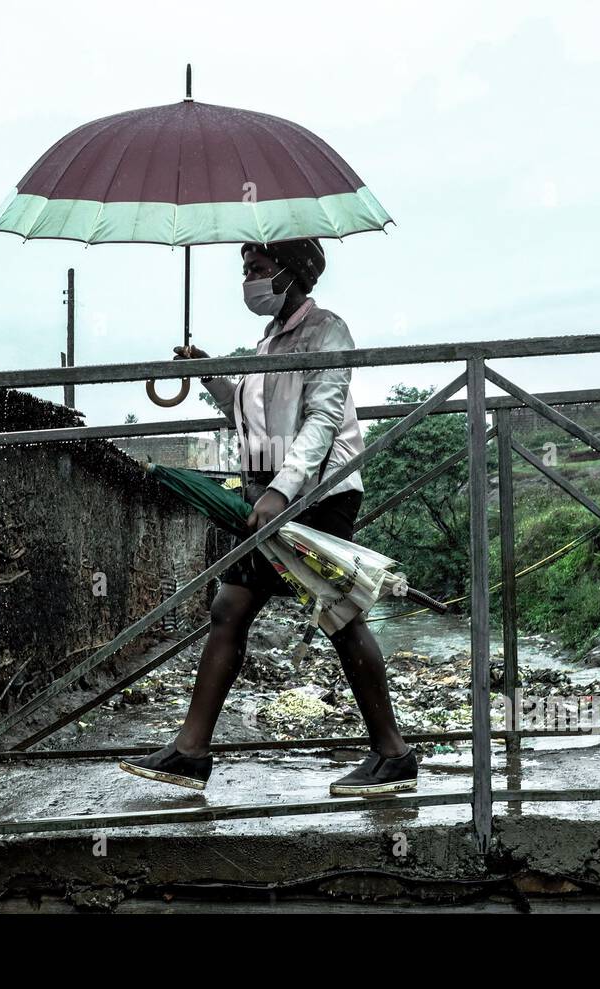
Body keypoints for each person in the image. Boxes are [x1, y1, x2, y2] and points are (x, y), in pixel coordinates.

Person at [119, 237, 416, 796]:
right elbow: (250, 418)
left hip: (318, 494)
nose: (248, 281)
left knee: (340, 615)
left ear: (292, 271)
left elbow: (322, 420)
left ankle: (392, 753)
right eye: (245, 271)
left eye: (257, 269)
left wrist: (283, 491)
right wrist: (209, 375)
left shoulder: (328, 330)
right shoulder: (266, 343)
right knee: (230, 607)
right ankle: (190, 751)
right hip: (269, 498)